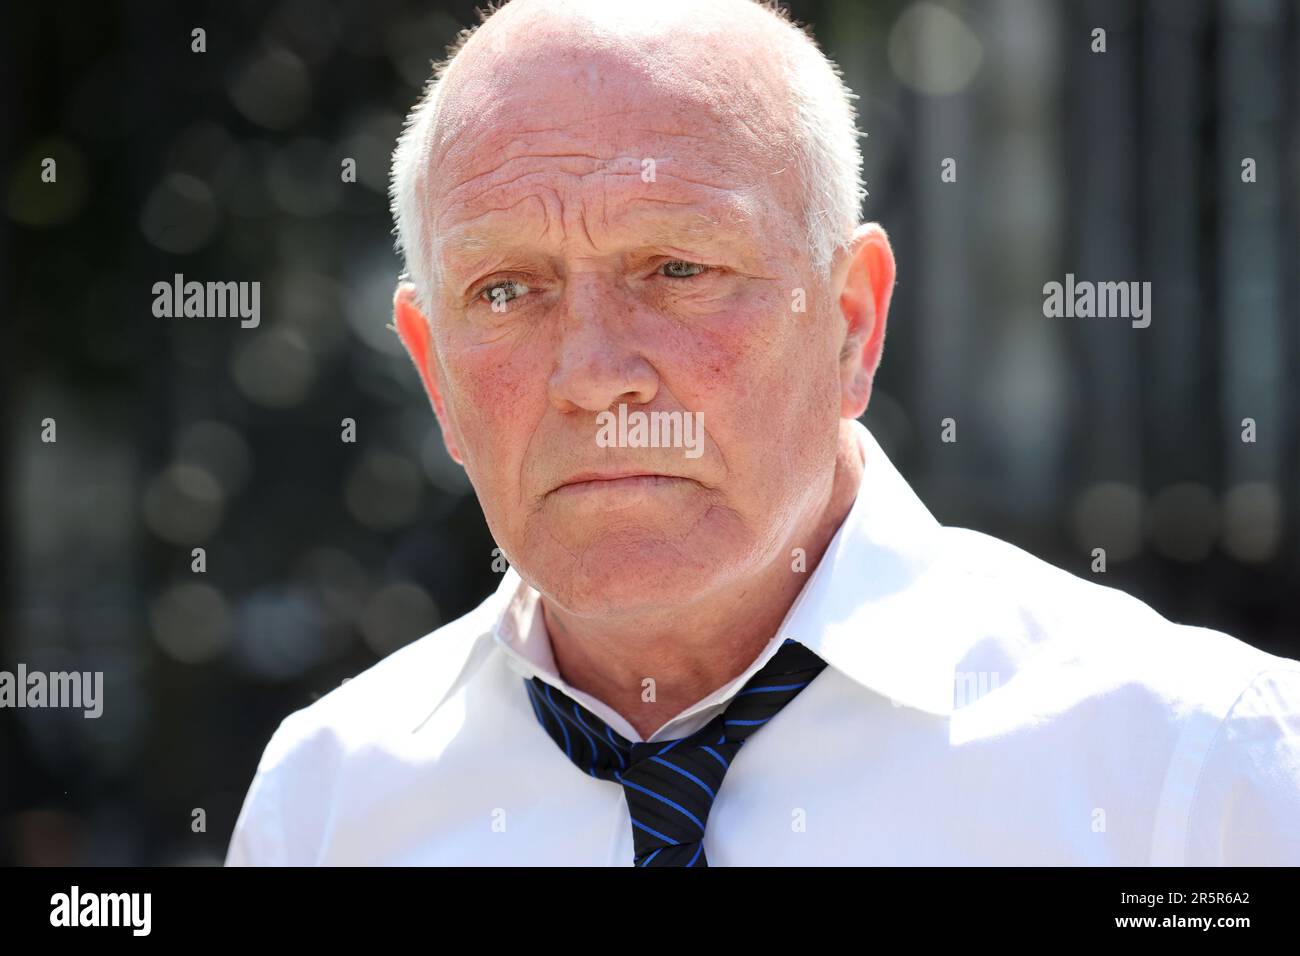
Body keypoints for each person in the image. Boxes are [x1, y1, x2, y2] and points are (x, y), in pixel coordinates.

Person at [226, 0, 1300, 866]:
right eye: (507, 290)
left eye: (680, 270)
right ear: (434, 372)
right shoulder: (328, 802)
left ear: (850, 321)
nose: (594, 375)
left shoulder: (1192, 764)